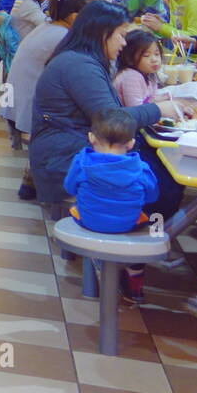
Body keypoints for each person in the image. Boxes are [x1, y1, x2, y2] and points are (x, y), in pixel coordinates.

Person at [29, 1, 190, 221]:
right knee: (161, 180)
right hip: (65, 157)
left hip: (70, 147)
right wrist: (159, 109)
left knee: (162, 167)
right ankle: (140, 237)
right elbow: (111, 120)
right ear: (103, 33)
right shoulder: (79, 66)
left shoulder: (81, 60)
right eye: (121, 35)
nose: (124, 43)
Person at [2, 0, 93, 199]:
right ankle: (50, 182)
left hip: (16, 100)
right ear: (74, 17)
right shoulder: (62, 37)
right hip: (27, 106)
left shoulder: (48, 27)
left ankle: (32, 179)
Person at [65, 109, 160, 303]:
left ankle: (99, 262)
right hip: (127, 225)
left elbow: (69, 187)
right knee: (144, 215)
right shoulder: (141, 168)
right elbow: (152, 196)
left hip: (89, 222)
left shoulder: (82, 162)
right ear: (131, 143)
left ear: (91, 137)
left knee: (77, 205)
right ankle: (134, 276)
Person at [112, 29, 164, 109]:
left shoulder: (150, 75)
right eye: (146, 55)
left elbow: (154, 97)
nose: (154, 59)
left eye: (157, 54)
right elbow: (137, 110)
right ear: (129, 58)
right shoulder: (131, 76)